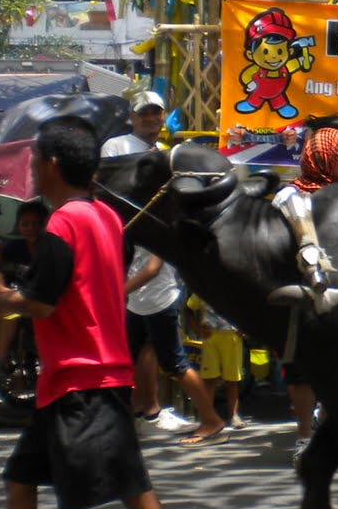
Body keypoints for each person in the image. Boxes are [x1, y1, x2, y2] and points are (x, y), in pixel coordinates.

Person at [0, 116, 198, 509]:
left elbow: (42, 303)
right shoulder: (104, 218)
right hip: (71, 382)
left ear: (49, 164)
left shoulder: (64, 223)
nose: (30, 169)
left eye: (34, 161)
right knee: (20, 479)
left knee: (134, 488)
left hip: (87, 380)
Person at [99, 91, 195, 434]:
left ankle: (144, 410)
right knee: (133, 343)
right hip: (125, 248)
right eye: (144, 114)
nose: (151, 119)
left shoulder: (164, 155)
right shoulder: (116, 147)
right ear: (132, 117)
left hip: (154, 251)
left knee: (145, 343)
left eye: (156, 114)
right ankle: (145, 410)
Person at [276, 123, 338, 460]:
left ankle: (327, 427)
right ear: (322, 155)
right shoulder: (289, 197)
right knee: (300, 367)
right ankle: (305, 435)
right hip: (302, 291)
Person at [125, 244, 228, 446]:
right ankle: (143, 414)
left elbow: (152, 269)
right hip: (137, 303)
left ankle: (211, 420)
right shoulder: (134, 228)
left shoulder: (154, 229)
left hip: (160, 301)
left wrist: (118, 291)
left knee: (174, 363)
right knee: (136, 356)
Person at [0, 198, 47, 387]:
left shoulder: (51, 248)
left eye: (36, 223)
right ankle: (1, 358)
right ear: (19, 226)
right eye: (26, 224)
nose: (31, 228)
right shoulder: (14, 247)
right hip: (19, 301)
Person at [187, 292, 247, 430]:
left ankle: (233, 415)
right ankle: (207, 417)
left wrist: (244, 328)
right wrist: (196, 328)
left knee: (232, 380)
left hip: (232, 337)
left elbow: (247, 308)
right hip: (210, 338)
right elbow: (188, 308)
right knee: (209, 380)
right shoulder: (202, 289)